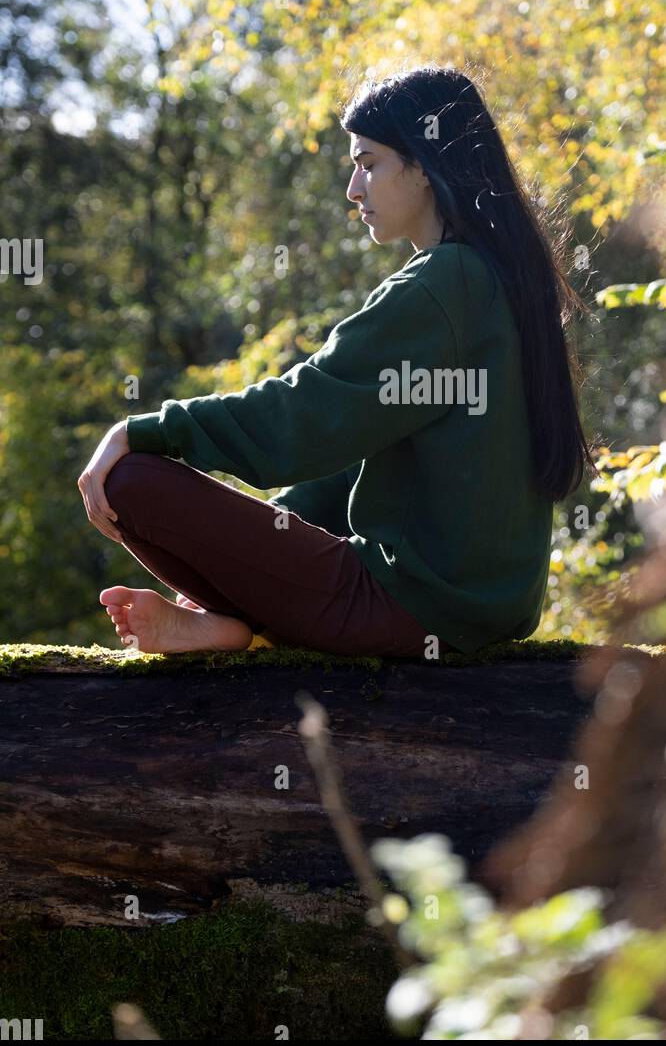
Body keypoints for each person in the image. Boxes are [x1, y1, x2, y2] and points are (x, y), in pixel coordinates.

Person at [77, 64, 597, 657]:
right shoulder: (502, 280)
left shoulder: (444, 283)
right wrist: (257, 550)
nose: (354, 190)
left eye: (368, 163)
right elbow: (360, 455)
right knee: (234, 508)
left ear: (424, 167)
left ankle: (233, 620)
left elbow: (304, 417)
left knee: (130, 479)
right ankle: (229, 621)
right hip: (478, 610)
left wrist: (141, 429)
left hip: (406, 605)